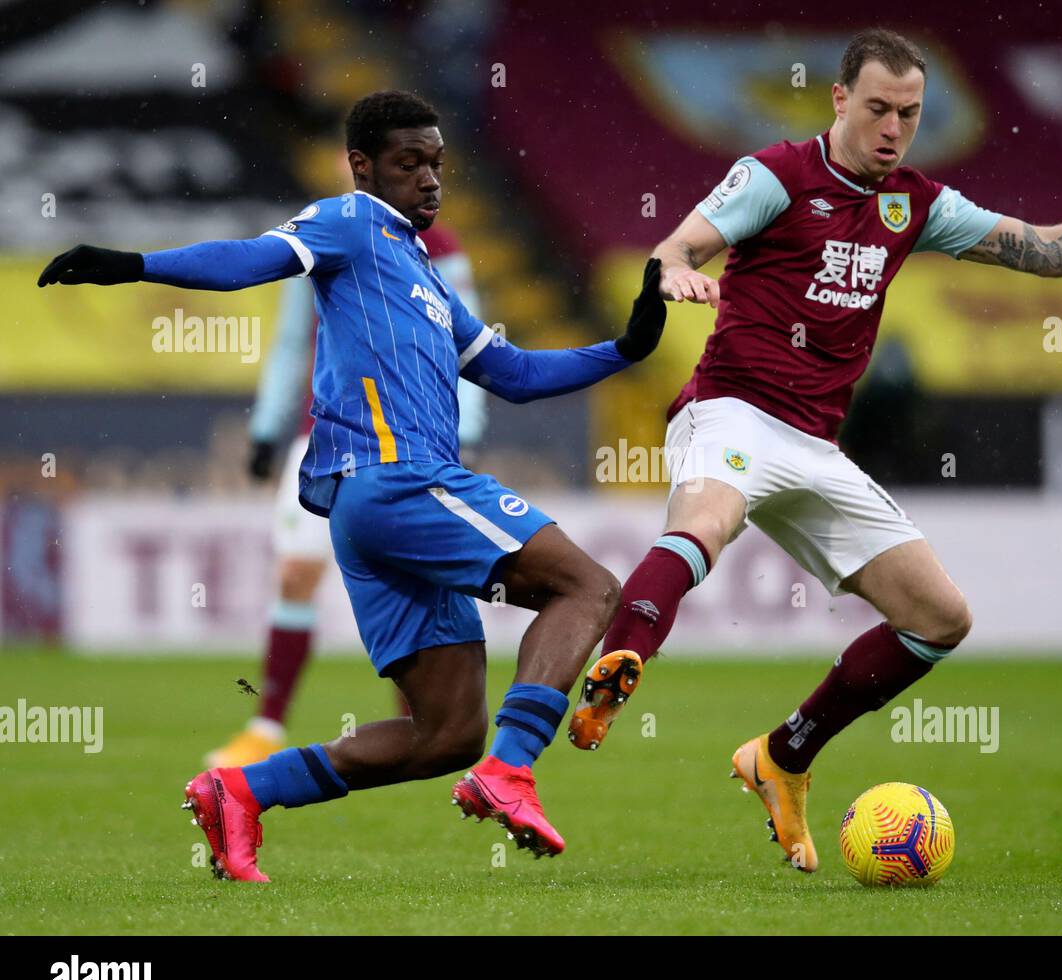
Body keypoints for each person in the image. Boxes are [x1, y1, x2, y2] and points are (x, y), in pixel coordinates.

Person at [569, 28, 1062, 873]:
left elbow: (1043, 248)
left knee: (940, 618)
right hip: (733, 409)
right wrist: (676, 268)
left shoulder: (918, 204)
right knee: (705, 519)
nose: (894, 129)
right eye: (878, 110)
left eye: (910, 113)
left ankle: (784, 755)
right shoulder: (776, 176)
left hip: (817, 445)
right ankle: (619, 662)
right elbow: (679, 244)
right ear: (838, 99)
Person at [38, 89, 666, 881]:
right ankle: (512, 769)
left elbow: (511, 371)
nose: (430, 179)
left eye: (437, 163)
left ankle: (237, 790)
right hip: (398, 479)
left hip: (374, 511)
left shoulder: (426, 276)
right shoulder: (348, 221)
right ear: (364, 166)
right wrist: (130, 265)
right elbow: (249, 259)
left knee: (445, 732)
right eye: (410, 164)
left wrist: (625, 348)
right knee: (589, 587)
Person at [207, 223, 488, 768]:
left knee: (413, 582)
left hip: (412, 440)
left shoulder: (441, 248)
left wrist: (468, 428)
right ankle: (264, 727)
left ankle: (418, 726)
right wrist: (268, 424)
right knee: (295, 574)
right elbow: (293, 336)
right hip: (326, 437)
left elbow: (467, 339)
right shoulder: (317, 232)